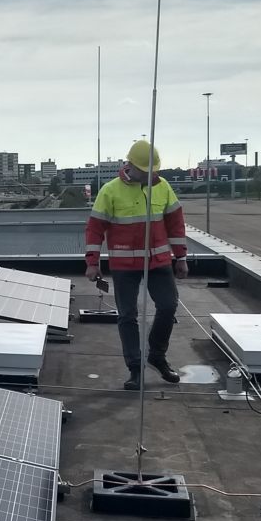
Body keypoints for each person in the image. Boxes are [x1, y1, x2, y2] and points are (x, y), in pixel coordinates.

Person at [84, 140, 188, 390]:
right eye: (146, 170)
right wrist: (92, 262)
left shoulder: (162, 187)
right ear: (130, 165)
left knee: (168, 306)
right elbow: (95, 229)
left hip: (159, 262)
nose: (152, 175)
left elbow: (175, 224)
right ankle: (135, 368)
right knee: (127, 316)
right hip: (125, 265)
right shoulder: (110, 191)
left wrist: (181, 257)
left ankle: (157, 356)